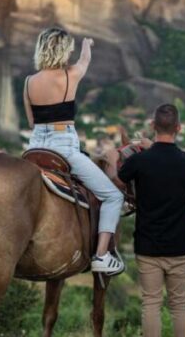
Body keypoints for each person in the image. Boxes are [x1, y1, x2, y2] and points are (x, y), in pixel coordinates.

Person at [24, 27, 124, 274]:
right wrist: (87, 44)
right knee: (113, 196)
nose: (70, 55)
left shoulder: (28, 82)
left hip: (35, 147)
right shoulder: (70, 76)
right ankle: (101, 256)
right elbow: (85, 60)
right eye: (68, 50)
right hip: (63, 148)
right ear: (63, 51)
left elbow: (32, 123)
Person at [112, 104, 185, 337]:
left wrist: (112, 159)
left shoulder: (140, 161)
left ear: (152, 126)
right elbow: (170, 156)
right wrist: (154, 147)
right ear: (178, 128)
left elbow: (120, 179)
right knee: (180, 305)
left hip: (148, 246)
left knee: (151, 303)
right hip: (179, 247)